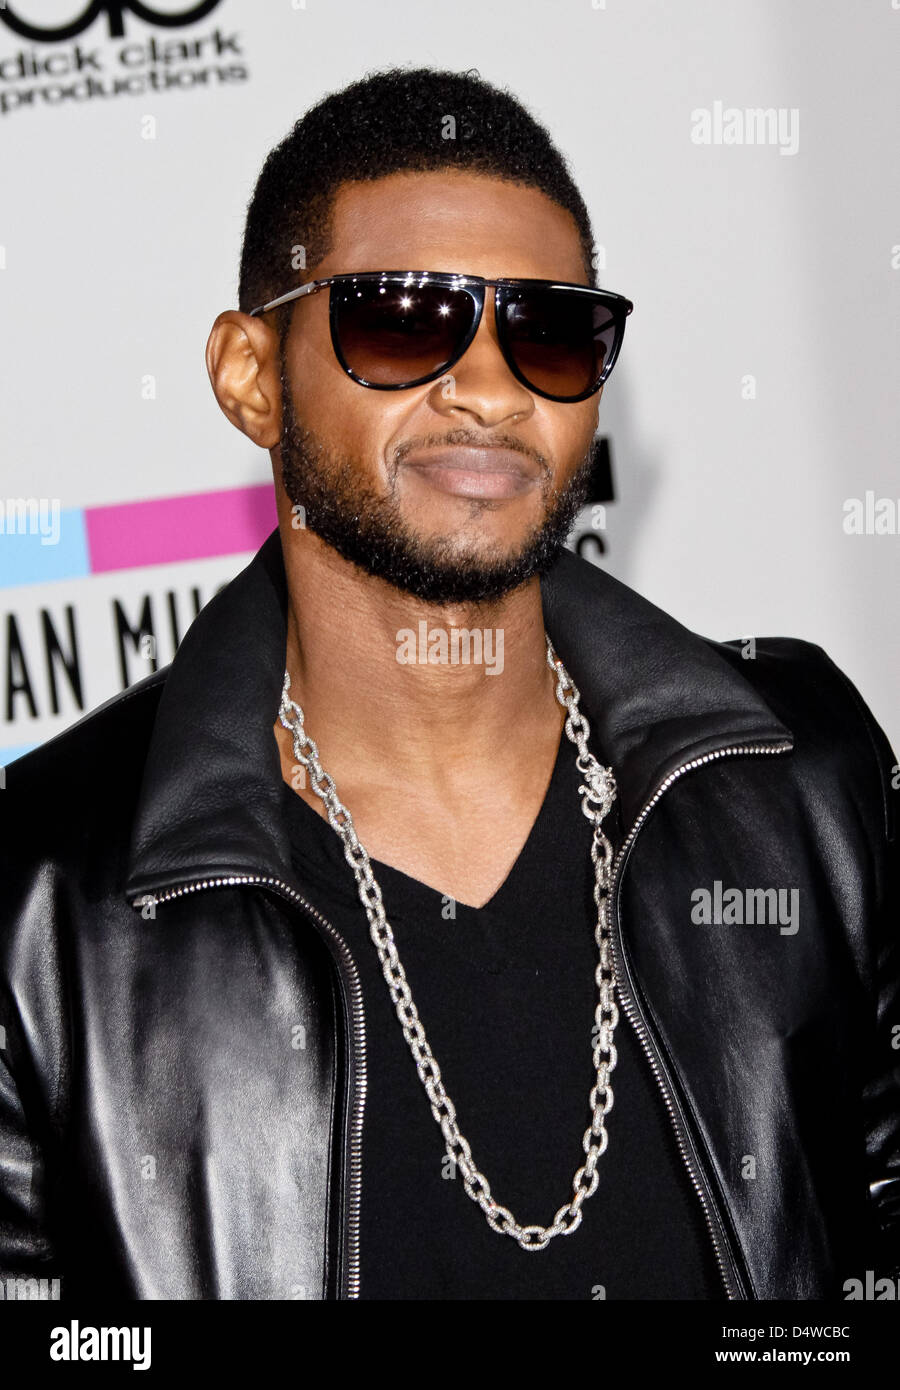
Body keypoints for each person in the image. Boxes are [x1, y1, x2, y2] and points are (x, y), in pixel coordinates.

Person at [0, 67, 896, 1302]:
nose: (488, 387)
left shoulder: (804, 781)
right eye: (404, 319)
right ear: (251, 375)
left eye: (548, 330)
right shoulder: (45, 901)